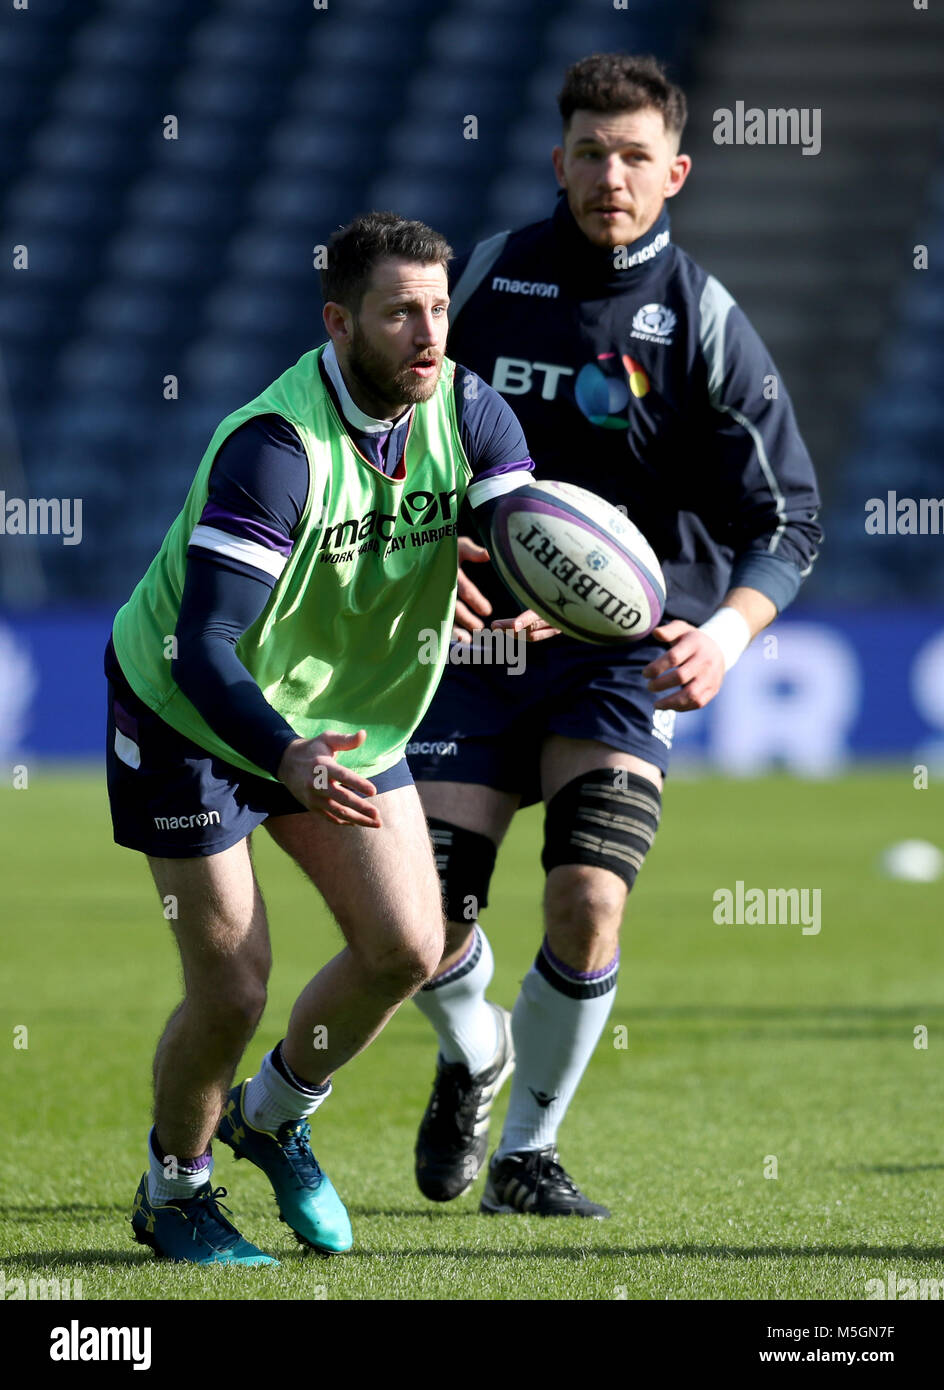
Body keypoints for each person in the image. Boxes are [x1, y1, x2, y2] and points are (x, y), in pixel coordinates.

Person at [407, 53, 823, 1217]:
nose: (609, 174)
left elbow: (787, 517)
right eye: (589, 151)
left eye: (634, 154)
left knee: (588, 898)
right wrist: (431, 556)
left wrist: (729, 636)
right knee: (422, 919)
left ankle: (526, 1155)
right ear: (558, 160)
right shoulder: (484, 280)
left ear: (674, 171)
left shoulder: (700, 317)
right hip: (481, 640)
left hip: (620, 651)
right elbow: (399, 445)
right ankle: (473, 1055)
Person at [104, 211, 537, 1263]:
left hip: (340, 712)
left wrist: (541, 590)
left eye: (438, 309)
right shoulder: (274, 448)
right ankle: (176, 1189)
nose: (427, 333)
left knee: (406, 945)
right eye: (399, 313)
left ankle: (275, 1115)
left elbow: (529, 534)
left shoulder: (468, 407)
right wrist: (285, 753)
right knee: (233, 984)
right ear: (339, 322)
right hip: (193, 715)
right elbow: (204, 644)